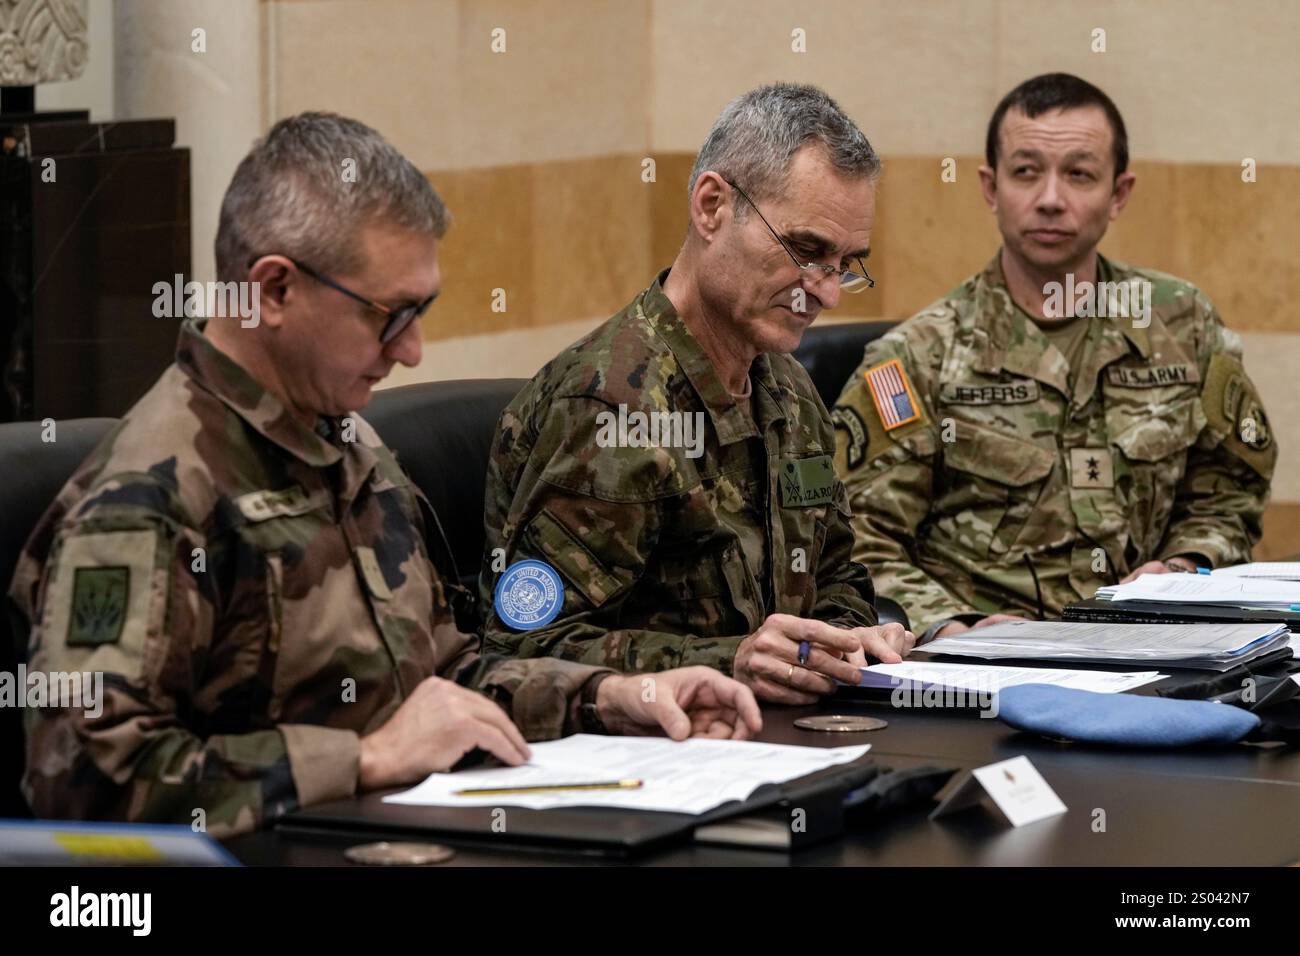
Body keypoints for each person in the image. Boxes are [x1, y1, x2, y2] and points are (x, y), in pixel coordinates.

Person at [8, 112, 760, 838]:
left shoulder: (350, 446)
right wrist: (363, 759)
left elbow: (443, 678)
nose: (413, 351)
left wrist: (609, 697)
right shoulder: (151, 495)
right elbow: (84, 781)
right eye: (389, 315)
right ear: (273, 290)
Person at [481, 84, 915, 705]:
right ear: (712, 207)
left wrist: (847, 640)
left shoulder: (784, 383)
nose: (826, 293)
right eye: (806, 251)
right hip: (652, 763)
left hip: (784, 734)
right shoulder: (609, 407)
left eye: (845, 263)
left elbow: (835, 574)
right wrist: (732, 662)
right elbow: (522, 648)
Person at [830, 73, 1276, 641]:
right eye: (1026, 171)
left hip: (1157, 650)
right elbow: (856, 537)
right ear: (991, 188)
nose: (1049, 199)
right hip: (988, 669)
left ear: (1119, 193)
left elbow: (1231, 485)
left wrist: (1185, 567)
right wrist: (954, 626)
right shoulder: (920, 357)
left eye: (1079, 174)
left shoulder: (1182, 323)